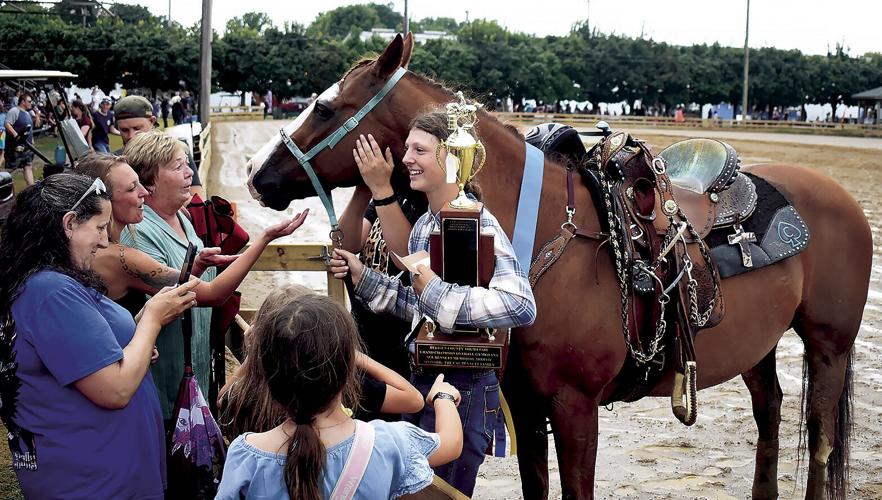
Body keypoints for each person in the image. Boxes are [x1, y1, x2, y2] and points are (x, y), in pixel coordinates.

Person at [330, 110, 537, 496]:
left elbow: (521, 304)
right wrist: (364, 278)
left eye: (419, 149)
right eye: (407, 147)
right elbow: (422, 309)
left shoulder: (480, 223)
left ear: (453, 158)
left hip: (465, 386)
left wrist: (438, 293)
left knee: (443, 493)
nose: (406, 157)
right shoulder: (426, 224)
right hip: (424, 377)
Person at [0, 173, 199, 498]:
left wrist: (134, 343)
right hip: (95, 479)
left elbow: (73, 353)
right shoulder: (51, 292)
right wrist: (151, 320)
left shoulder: (40, 282)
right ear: (69, 223)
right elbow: (115, 390)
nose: (105, 241)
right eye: (99, 227)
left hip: (97, 473)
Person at [216, 293, 463, 499]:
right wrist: (444, 397)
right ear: (349, 373)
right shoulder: (389, 443)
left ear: (268, 377)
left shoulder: (246, 455)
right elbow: (450, 444)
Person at [72, 152, 307, 316]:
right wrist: (265, 238)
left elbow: (170, 283)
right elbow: (213, 294)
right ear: (104, 201)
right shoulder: (120, 256)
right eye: (133, 188)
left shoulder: (103, 250)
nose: (144, 192)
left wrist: (195, 266)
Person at [217, 284, 424, 441]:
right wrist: (351, 353)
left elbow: (222, 399)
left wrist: (254, 356)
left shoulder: (250, 391)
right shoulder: (341, 388)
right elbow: (413, 399)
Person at [117, 131, 216, 423]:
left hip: (192, 374)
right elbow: (201, 292)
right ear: (149, 180)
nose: (189, 173)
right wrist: (264, 241)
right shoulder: (139, 232)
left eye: (188, 163)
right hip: (163, 390)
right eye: (177, 166)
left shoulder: (181, 216)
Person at [337, 133, 428, 383]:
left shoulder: (419, 201)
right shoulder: (384, 195)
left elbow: (405, 259)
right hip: (366, 332)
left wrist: (381, 190)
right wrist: (362, 189)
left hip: (400, 343)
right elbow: (348, 241)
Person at [113, 95, 206, 199]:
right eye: (124, 130)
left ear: (152, 121)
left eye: (137, 128)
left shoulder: (176, 149)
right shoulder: (114, 162)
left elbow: (196, 193)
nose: (131, 136)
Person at [4, 92, 40, 186]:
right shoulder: (14, 111)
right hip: (15, 147)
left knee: (28, 167)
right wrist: (16, 135)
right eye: (29, 101)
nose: (30, 103)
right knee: (10, 169)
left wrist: (32, 142)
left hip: (27, 147)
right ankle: (2, 183)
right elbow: (7, 124)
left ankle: (31, 189)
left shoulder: (27, 114)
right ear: (23, 101)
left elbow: (29, 130)